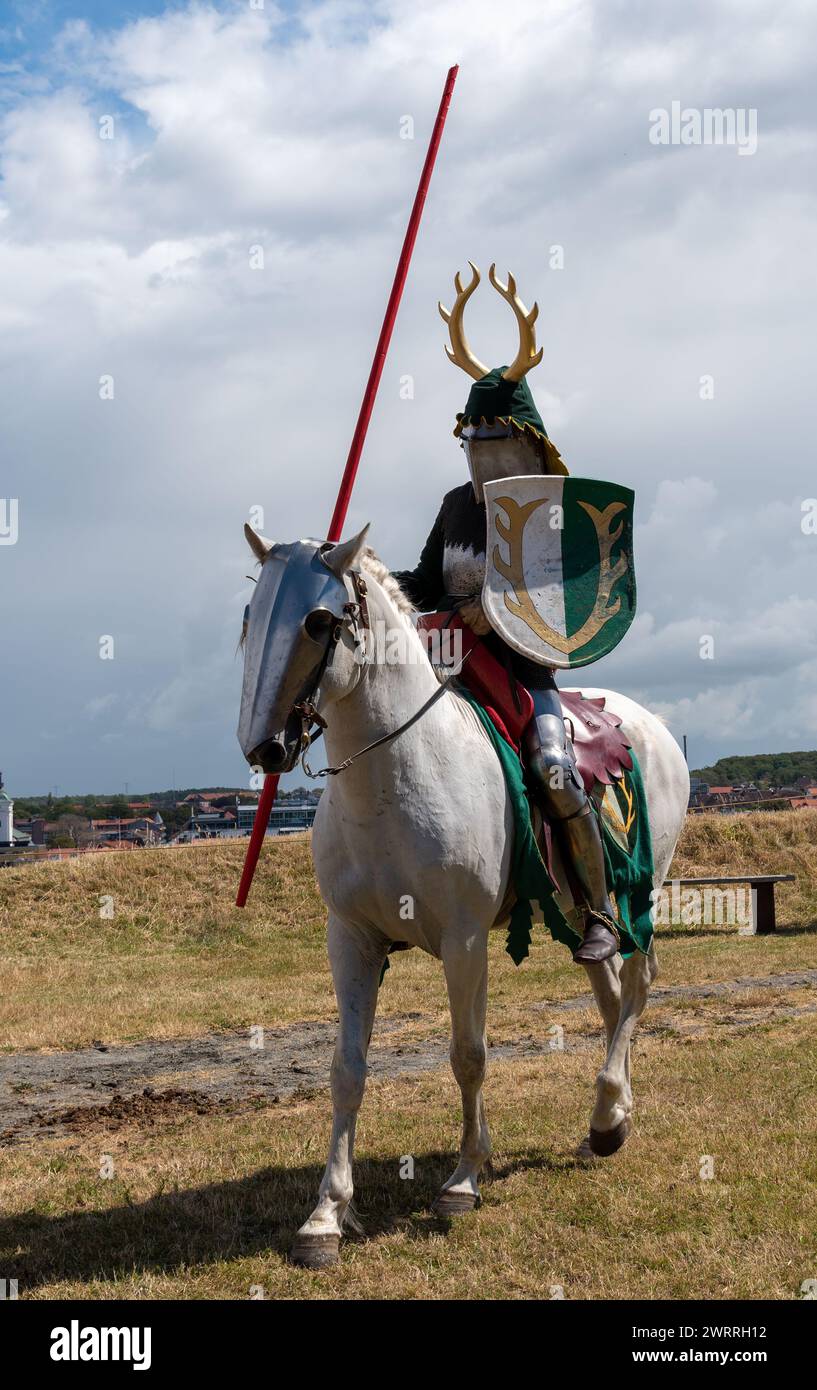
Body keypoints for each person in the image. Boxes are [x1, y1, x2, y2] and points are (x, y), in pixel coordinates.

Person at [393, 264, 620, 963]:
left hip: (521, 673)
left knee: (553, 771)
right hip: (447, 669)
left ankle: (597, 910)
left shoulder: (553, 510)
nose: (480, 456)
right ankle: (395, 895)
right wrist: (362, 584)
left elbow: (571, 594)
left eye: (493, 441)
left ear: (524, 439)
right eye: (471, 442)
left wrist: (505, 616)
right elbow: (427, 582)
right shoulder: (454, 506)